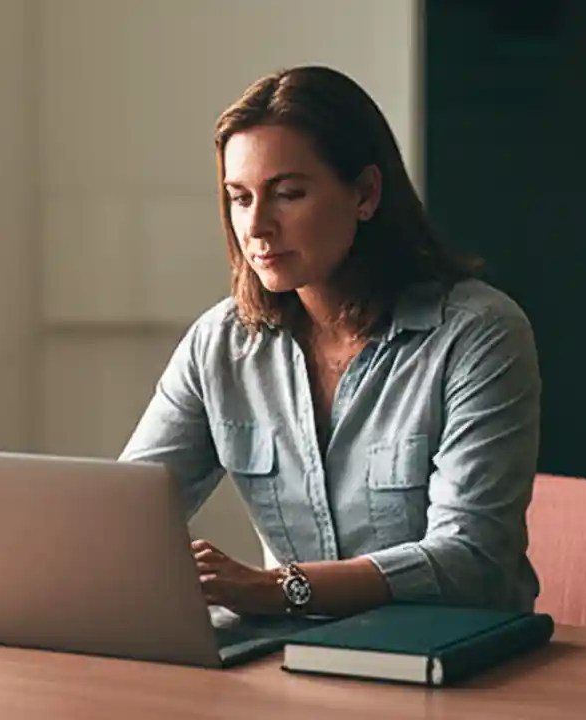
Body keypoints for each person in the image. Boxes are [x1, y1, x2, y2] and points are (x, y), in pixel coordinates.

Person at [119, 66, 541, 617]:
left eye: (288, 194)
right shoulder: (220, 345)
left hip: (452, 665)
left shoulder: (478, 334)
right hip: (292, 658)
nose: (257, 226)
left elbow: (471, 560)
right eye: (239, 198)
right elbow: (123, 517)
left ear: (365, 193)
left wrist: (277, 588)